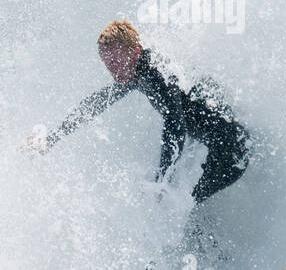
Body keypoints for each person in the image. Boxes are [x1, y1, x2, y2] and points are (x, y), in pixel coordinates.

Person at [23, 20, 250, 203]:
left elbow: (176, 125)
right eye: (107, 64)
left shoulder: (158, 72)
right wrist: (52, 138)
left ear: (135, 51)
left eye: (115, 61)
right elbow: (96, 103)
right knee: (186, 209)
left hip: (231, 150)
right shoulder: (134, 72)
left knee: (185, 210)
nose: (112, 70)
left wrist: (162, 180)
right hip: (221, 144)